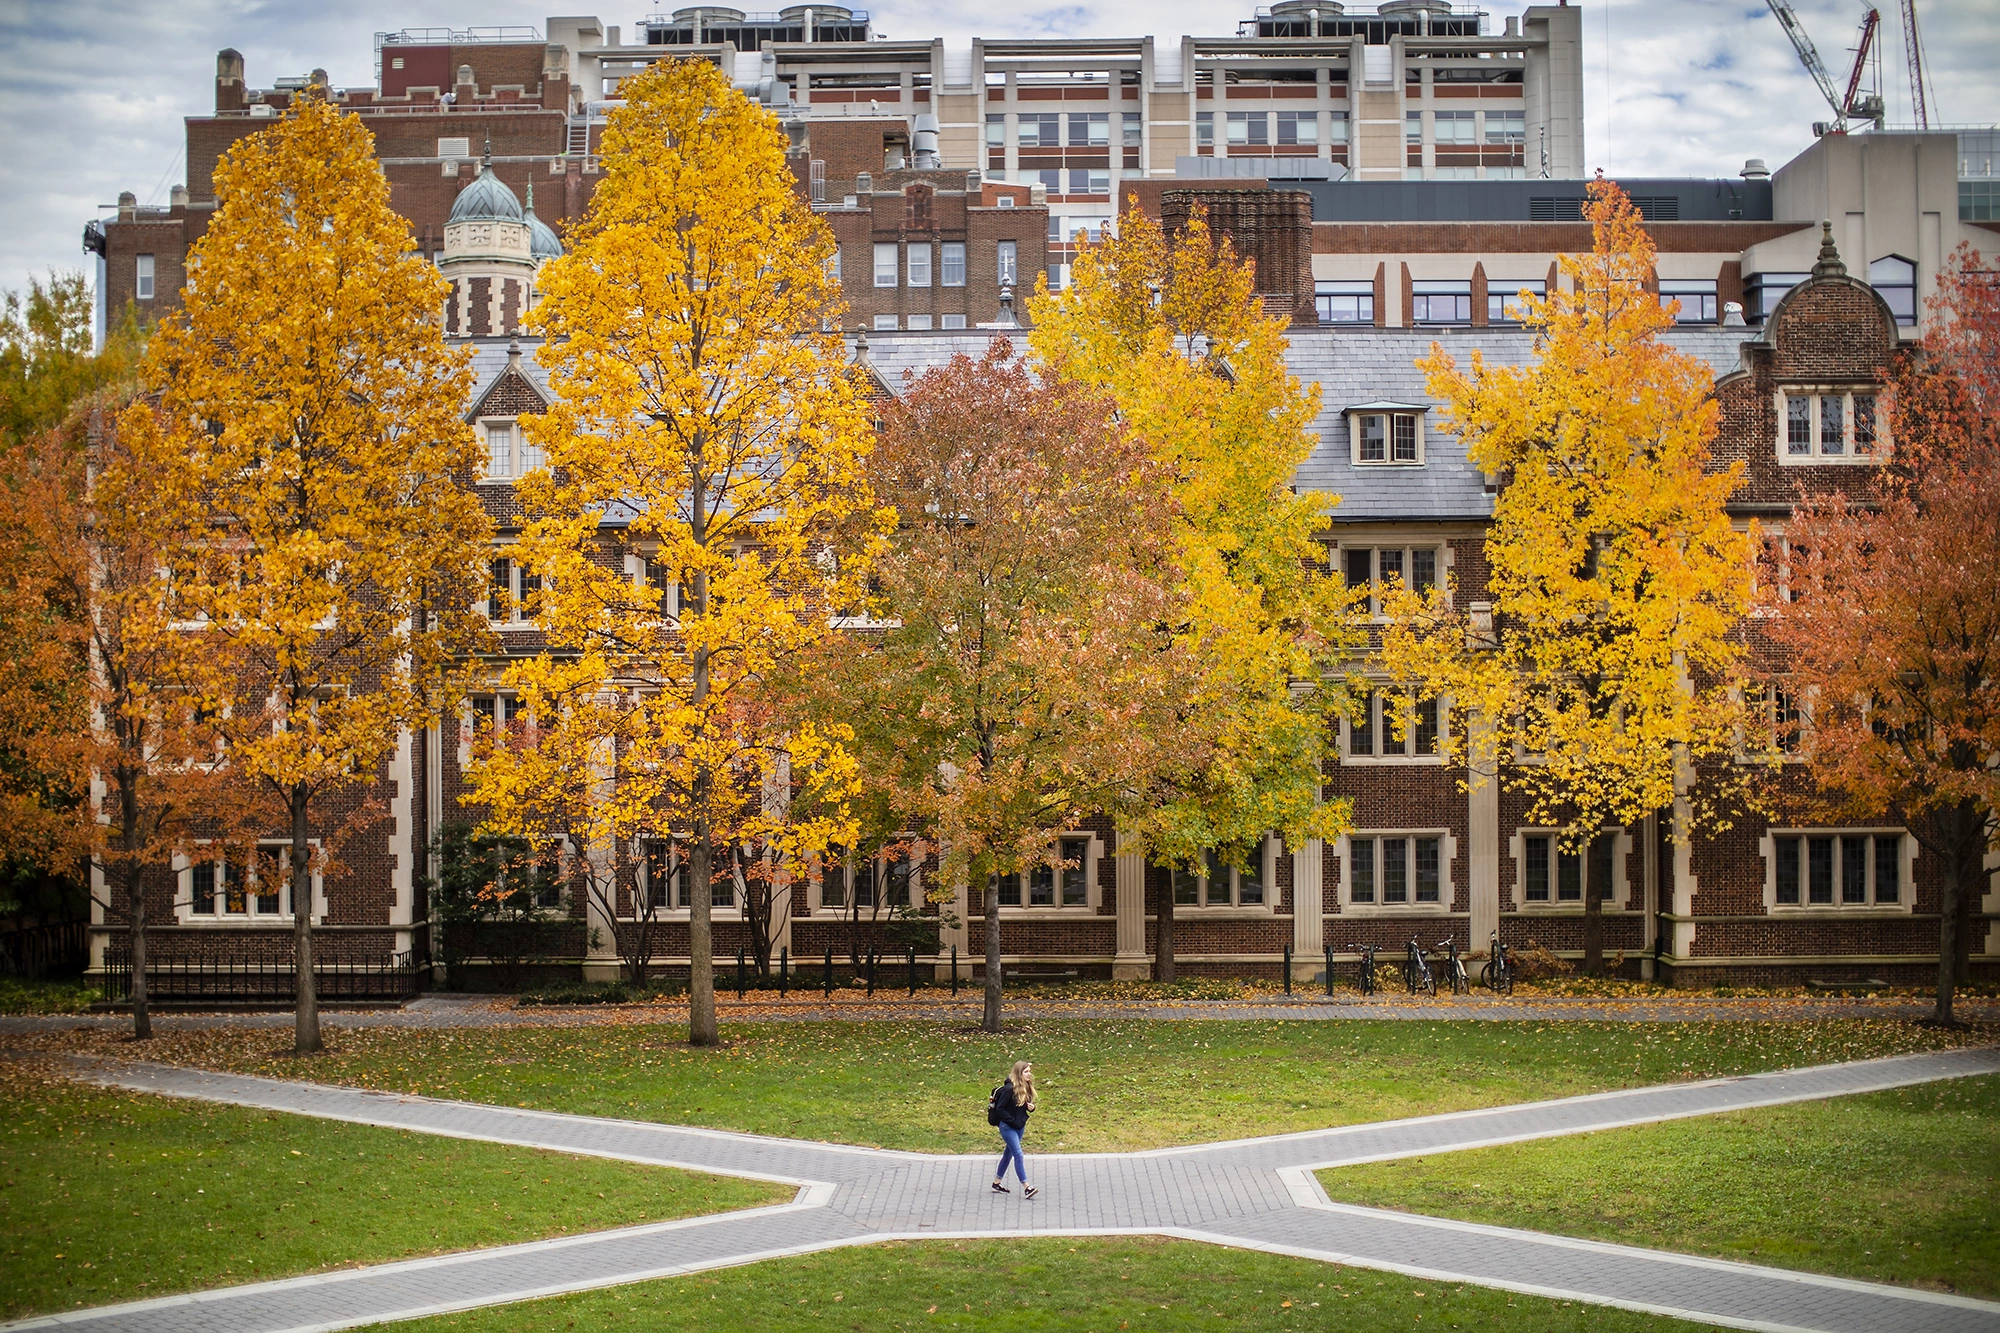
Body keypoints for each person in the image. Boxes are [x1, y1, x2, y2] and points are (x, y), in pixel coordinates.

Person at [990, 1059, 1036, 1197]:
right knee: (1018, 1154)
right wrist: (1011, 1121)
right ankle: (1026, 1187)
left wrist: (1031, 1108)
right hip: (1007, 1127)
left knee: (1008, 1154)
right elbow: (1000, 1109)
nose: (1029, 1074)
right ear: (1019, 1073)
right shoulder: (1009, 1089)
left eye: (1029, 1071)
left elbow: (1024, 1105)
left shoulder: (1026, 1086)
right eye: (1026, 1071)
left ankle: (996, 1183)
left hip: (1019, 1126)